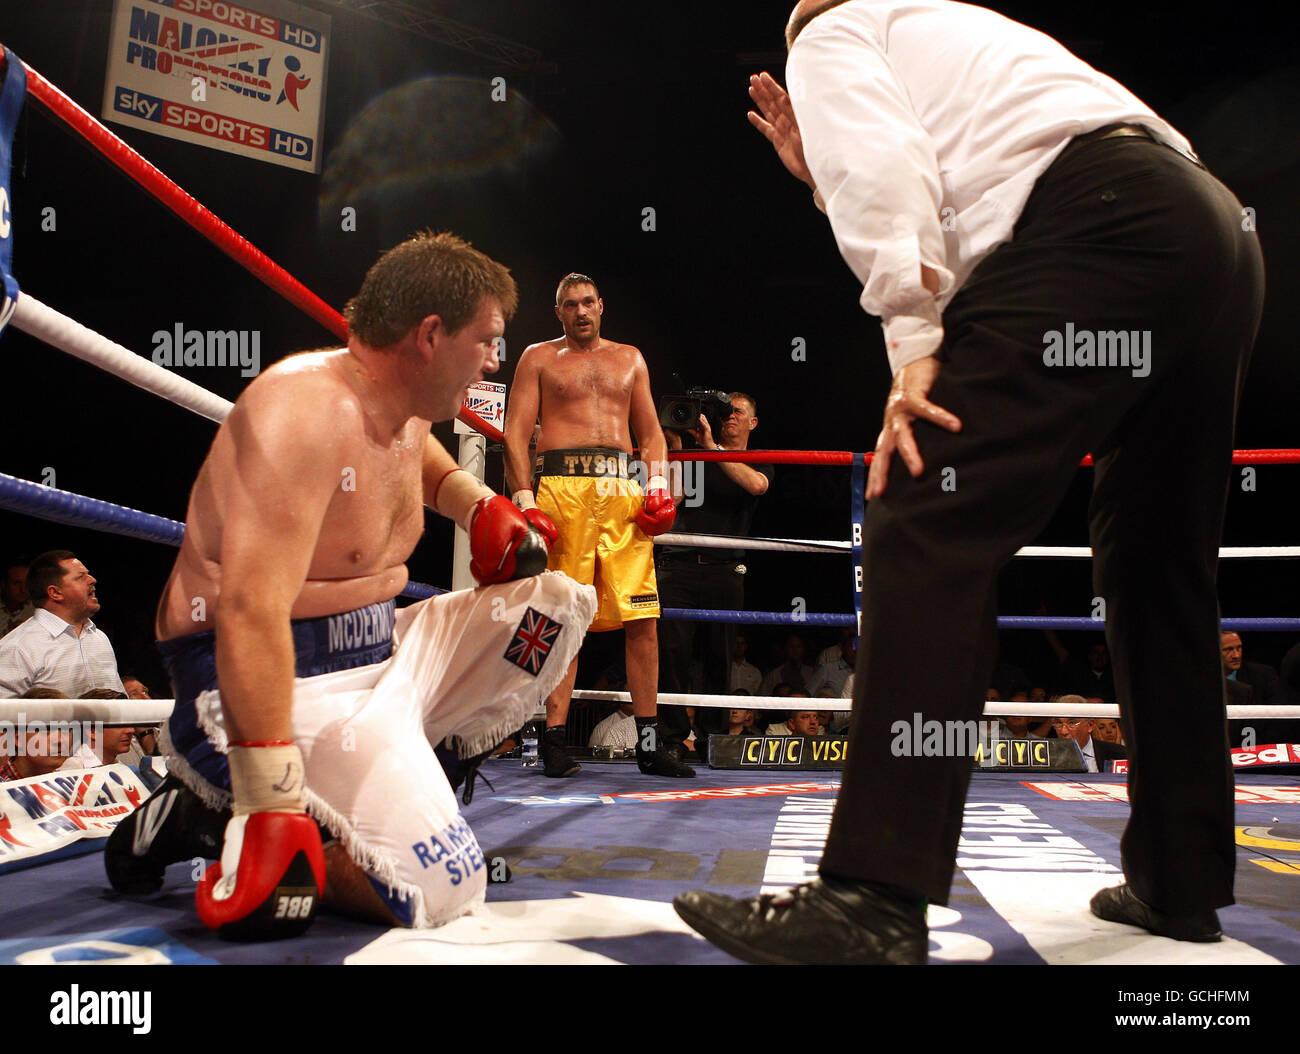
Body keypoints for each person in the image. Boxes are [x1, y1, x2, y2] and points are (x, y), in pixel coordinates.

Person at [675, 0, 1264, 963]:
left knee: (922, 504)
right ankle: (1179, 882)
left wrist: (911, 348)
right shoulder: (950, 29)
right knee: (1157, 567)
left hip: (1103, 224)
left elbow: (886, 174)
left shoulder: (829, 34)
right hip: (1212, 232)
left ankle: (874, 893)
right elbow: (932, 164)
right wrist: (825, 176)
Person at [104, 231, 597, 940]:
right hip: (266, 680)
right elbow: (247, 610)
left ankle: (371, 790)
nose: (495, 359)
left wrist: (475, 504)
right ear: (430, 334)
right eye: (487, 340)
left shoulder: (402, 403)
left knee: (549, 605)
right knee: (451, 884)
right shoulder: (302, 412)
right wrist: (269, 800)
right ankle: (230, 813)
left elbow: (418, 454)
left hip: (379, 651)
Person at [504, 272, 691, 778]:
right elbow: (515, 432)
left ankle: (649, 744)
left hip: (622, 494)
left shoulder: (630, 358)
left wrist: (656, 486)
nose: (581, 311)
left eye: (588, 302)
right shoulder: (538, 358)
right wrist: (524, 500)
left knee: (642, 618)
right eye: (570, 304)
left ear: (601, 305)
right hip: (562, 490)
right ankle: (554, 740)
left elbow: (651, 434)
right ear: (558, 312)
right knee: (564, 617)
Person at [657, 393, 772, 747]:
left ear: (752, 422)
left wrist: (711, 448)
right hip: (678, 566)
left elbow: (756, 485)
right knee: (671, 656)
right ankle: (672, 739)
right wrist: (676, 448)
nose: (729, 417)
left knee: (718, 657)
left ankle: (714, 740)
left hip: (724, 571)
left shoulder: (759, 461)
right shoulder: (697, 456)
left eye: (737, 412)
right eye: (725, 412)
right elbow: (670, 499)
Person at [0, 551, 126, 698]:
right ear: (55, 593)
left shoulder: (99, 638)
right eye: (81, 577)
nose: (92, 580)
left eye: (88, 574)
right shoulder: (18, 647)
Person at [1, 559, 33, 636]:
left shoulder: (36, 608)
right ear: (3, 584)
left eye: (26, 583)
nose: (23, 589)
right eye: (17, 583)